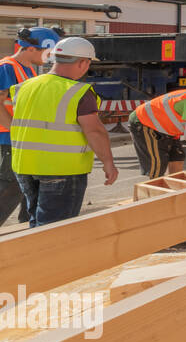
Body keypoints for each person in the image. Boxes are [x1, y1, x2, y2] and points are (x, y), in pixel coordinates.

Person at [0, 37, 117, 227]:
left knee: (37, 224)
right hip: (62, 169)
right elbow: (94, 131)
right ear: (83, 62)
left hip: (25, 167)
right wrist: (108, 163)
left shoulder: (24, 87)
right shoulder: (79, 91)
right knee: (56, 231)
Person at [0, 26, 59, 225]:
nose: (49, 57)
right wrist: (15, 131)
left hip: (21, 138)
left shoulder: (30, 70)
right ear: (31, 48)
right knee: (11, 186)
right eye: (47, 52)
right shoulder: (7, 67)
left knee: (29, 187)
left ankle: (28, 229)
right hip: (8, 138)